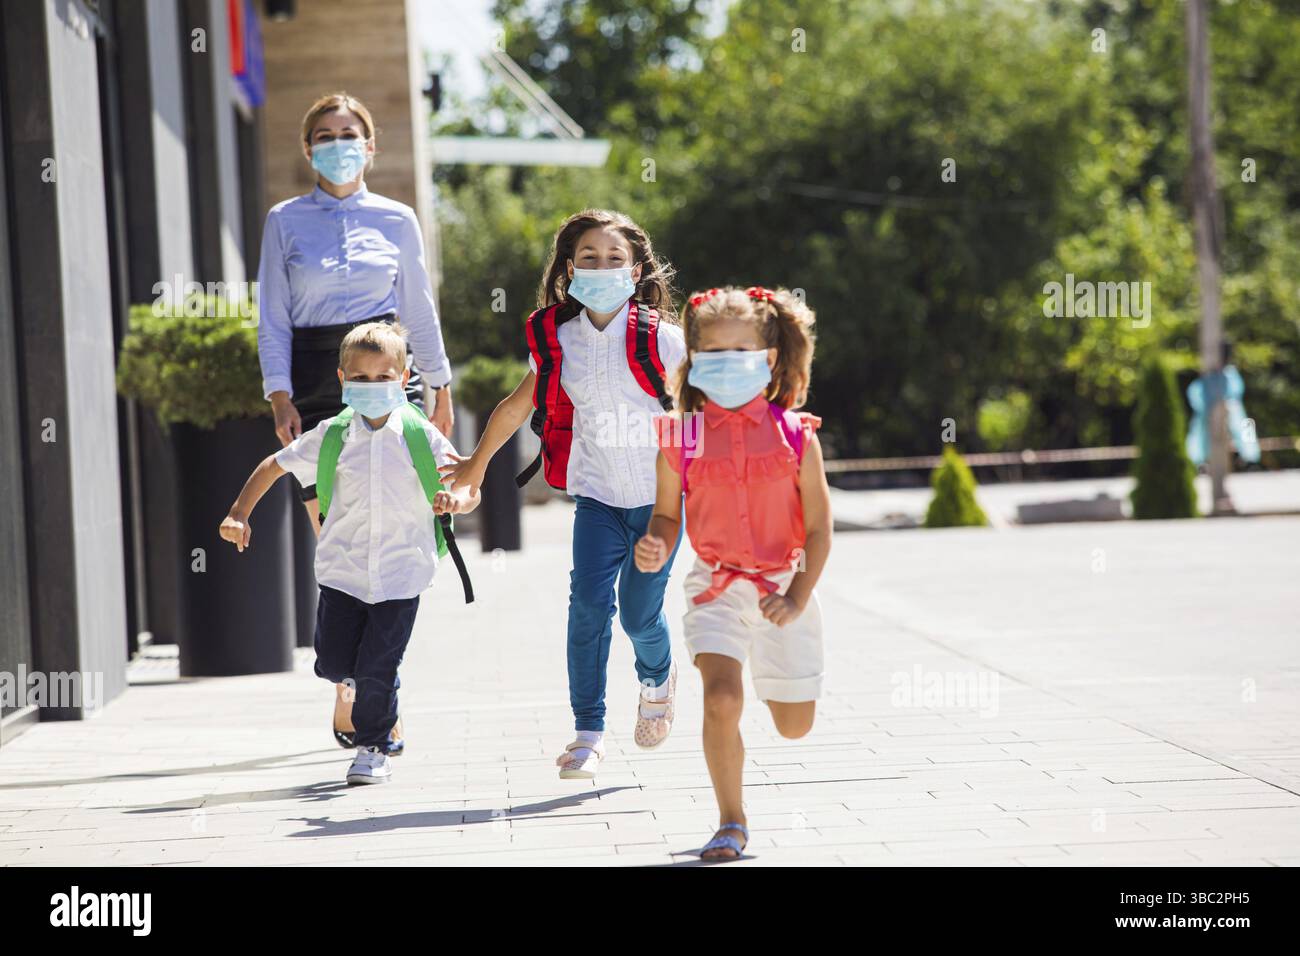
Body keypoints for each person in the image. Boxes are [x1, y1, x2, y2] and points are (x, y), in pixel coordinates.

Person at [439, 209, 686, 779]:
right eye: (589, 258)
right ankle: (588, 731)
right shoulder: (557, 339)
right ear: (569, 268)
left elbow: (697, 417)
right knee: (589, 608)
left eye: (615, 259)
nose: (602, 268)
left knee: (640, 616)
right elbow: (517, 405)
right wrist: (474, 467)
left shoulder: (664, 341)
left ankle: (658, 678)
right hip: (597, 495)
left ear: (638, 269)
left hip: (659, 502)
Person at [257, 92, 457, 752]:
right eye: (324, 133)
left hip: (389, 371)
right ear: (307, 147)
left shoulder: (397, 218)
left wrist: (442, 386)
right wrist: (279, 392)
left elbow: (419, 307)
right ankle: (352, 677)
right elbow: (274, 315)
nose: (337, 142)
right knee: (336, 531)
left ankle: (378, 686)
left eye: (349, 133)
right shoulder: (284, 221)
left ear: (369, 146)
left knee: (397, 523)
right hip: (320, 381)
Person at [220, 323, 478, 785]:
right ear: (342, 380)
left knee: (379, 664)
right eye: (361, 378)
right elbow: (274, 466)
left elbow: (465, 482)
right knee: (336, 663)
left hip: (402, 573)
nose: (372, 386)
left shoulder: (419, 435)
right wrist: (240, 512)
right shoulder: (331, 435)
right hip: (342, 572)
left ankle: (373, 746)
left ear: (403, 380)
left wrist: (455, 500)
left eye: (384, 378)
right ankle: (358, 686)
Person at [635, 286, 832, 860]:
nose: (725, 364)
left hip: (783, 588)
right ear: (694, 362)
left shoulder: (798, 437)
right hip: (714, 587)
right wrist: (656, 542)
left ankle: (783, 680)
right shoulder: (681, 436)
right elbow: (667, 515)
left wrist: (797, 597)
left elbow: (820, 530)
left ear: (768, 359)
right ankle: (730, 821)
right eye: (712, 353)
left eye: (739, 350)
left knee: (794, 726)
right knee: (721, 698)